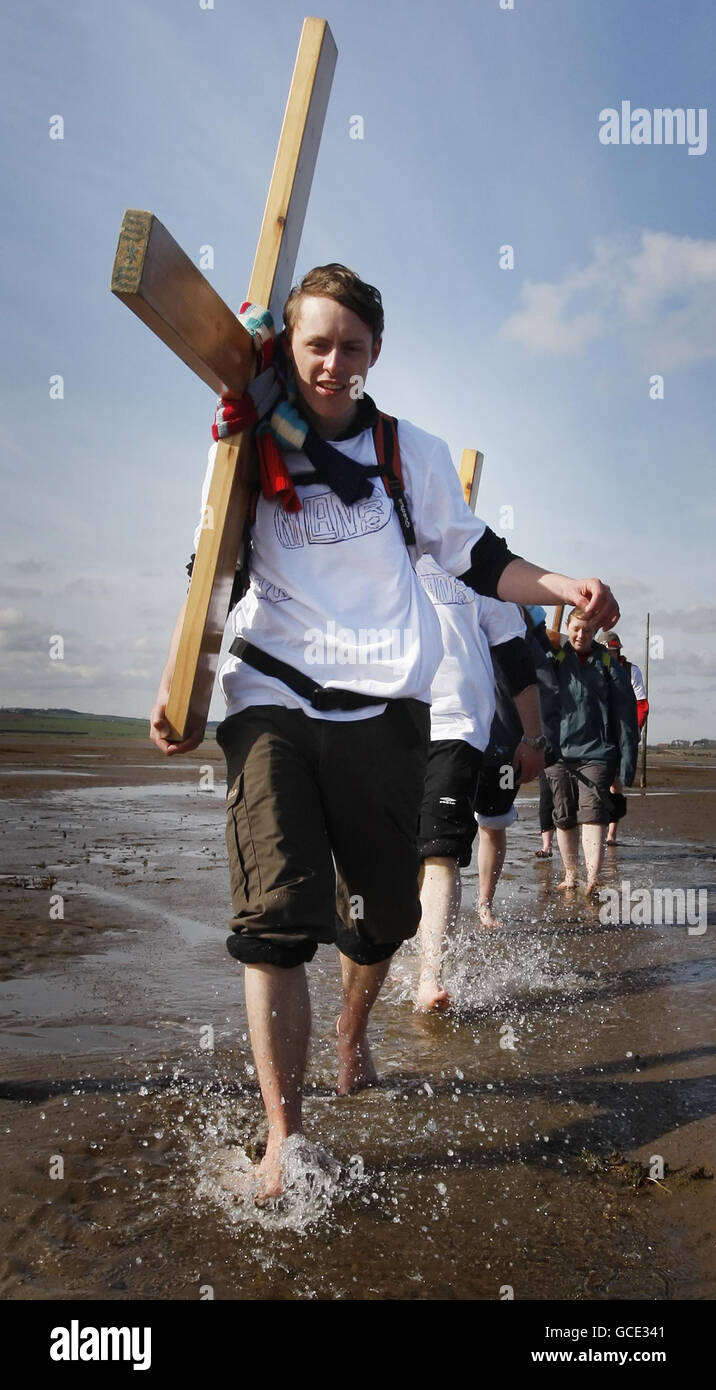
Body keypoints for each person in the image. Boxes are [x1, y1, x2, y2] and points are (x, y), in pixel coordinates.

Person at [149, 264, 620, 1199]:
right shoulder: (247, 436)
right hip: (270, 695)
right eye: (315, 344)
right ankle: (285, 1132)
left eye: (351, 348)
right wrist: (181, 684)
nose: (331, 364)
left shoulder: (410, 454)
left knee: (383, 919)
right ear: (288, 342)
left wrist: (562, 585)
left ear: (376, 355)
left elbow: (475, 555)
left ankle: (354, 1034)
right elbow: (208, 559)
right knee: (276, 917)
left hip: (386, 712)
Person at [414, 561, 545, 1010]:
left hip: (457, 722)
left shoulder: (473, 560)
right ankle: (406, 947)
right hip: (387, 721)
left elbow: (515, 655)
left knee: (440, 847)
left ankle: (431, 975)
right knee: (397, 851)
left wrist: (532, 737)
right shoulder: (383, 544)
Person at [545, 607, 638, 895]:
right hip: (558, 752)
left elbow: (626, 714)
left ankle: (593, 878)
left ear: (595, 631)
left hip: (597, 752)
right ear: (568, 628)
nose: (580, 635)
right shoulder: (559, 657)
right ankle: (571, 875)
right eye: (575, 629)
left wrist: (627, 764)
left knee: (593, 812)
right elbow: (540, 669)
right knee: (563, 815)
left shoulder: (608, 663)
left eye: (587, 630)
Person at [601, 631, 649, 845]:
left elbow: (642, 705)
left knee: (615, 785)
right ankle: (595, 828)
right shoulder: (594, 668)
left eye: (614, 650)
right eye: (607, 651)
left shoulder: (631, 671)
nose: (611, 654)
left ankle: (611, 833)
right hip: (598, 734)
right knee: (596, 781)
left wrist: (631, 731)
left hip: (622, 734)